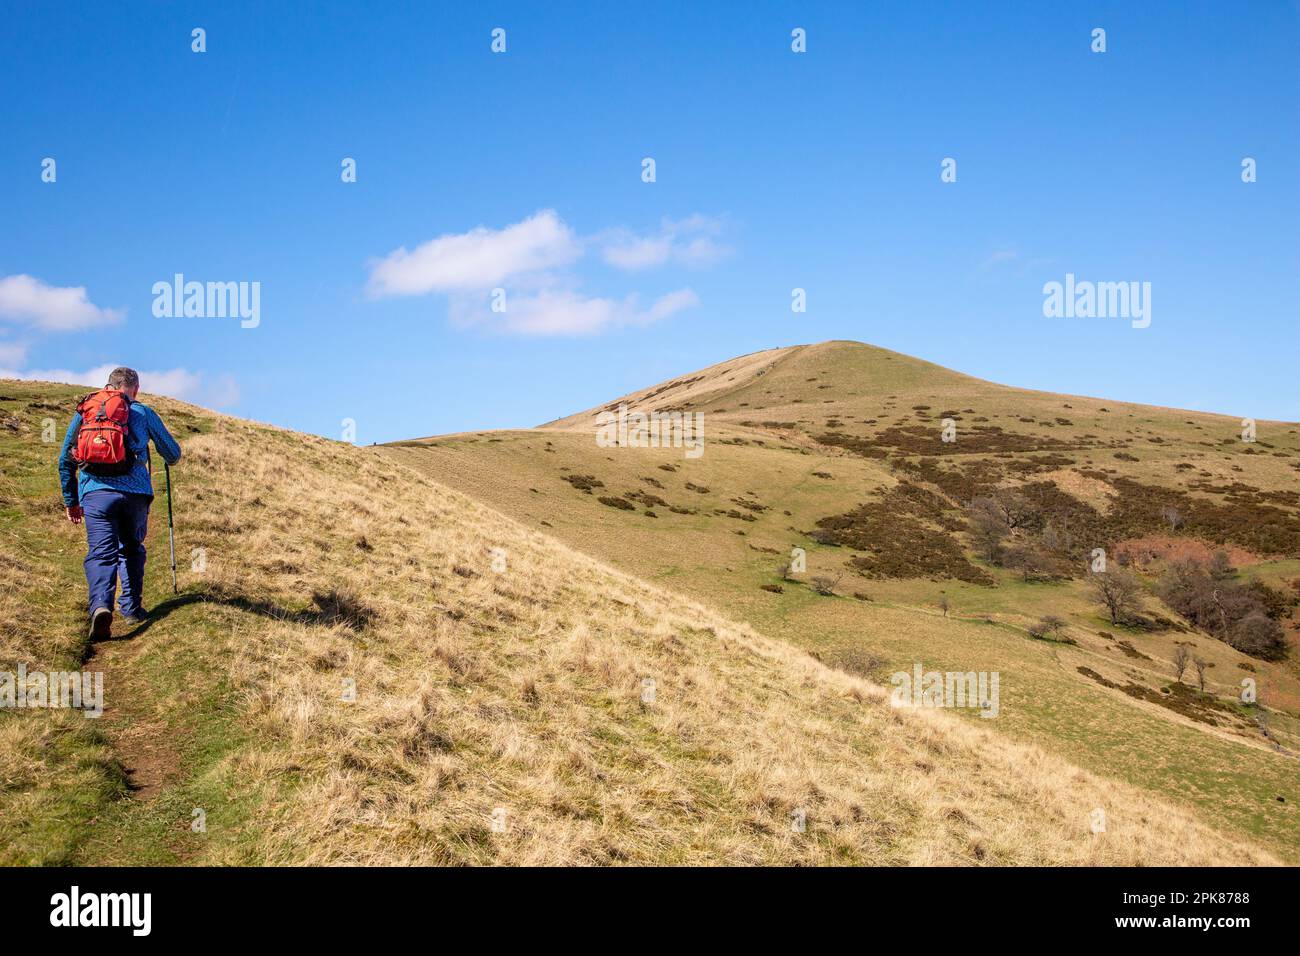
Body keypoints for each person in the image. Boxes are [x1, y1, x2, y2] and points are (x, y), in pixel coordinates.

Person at [58, 367, 182, 639]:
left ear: (108, 386)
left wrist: (71, 501)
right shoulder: (143, 412)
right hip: (135, 494)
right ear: (135, 388)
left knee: (101, 553)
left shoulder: (87, 411)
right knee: (132, 548)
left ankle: (101, 606)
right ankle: (131, 608)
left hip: (96, 494)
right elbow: (172, 453)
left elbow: (65, 459)